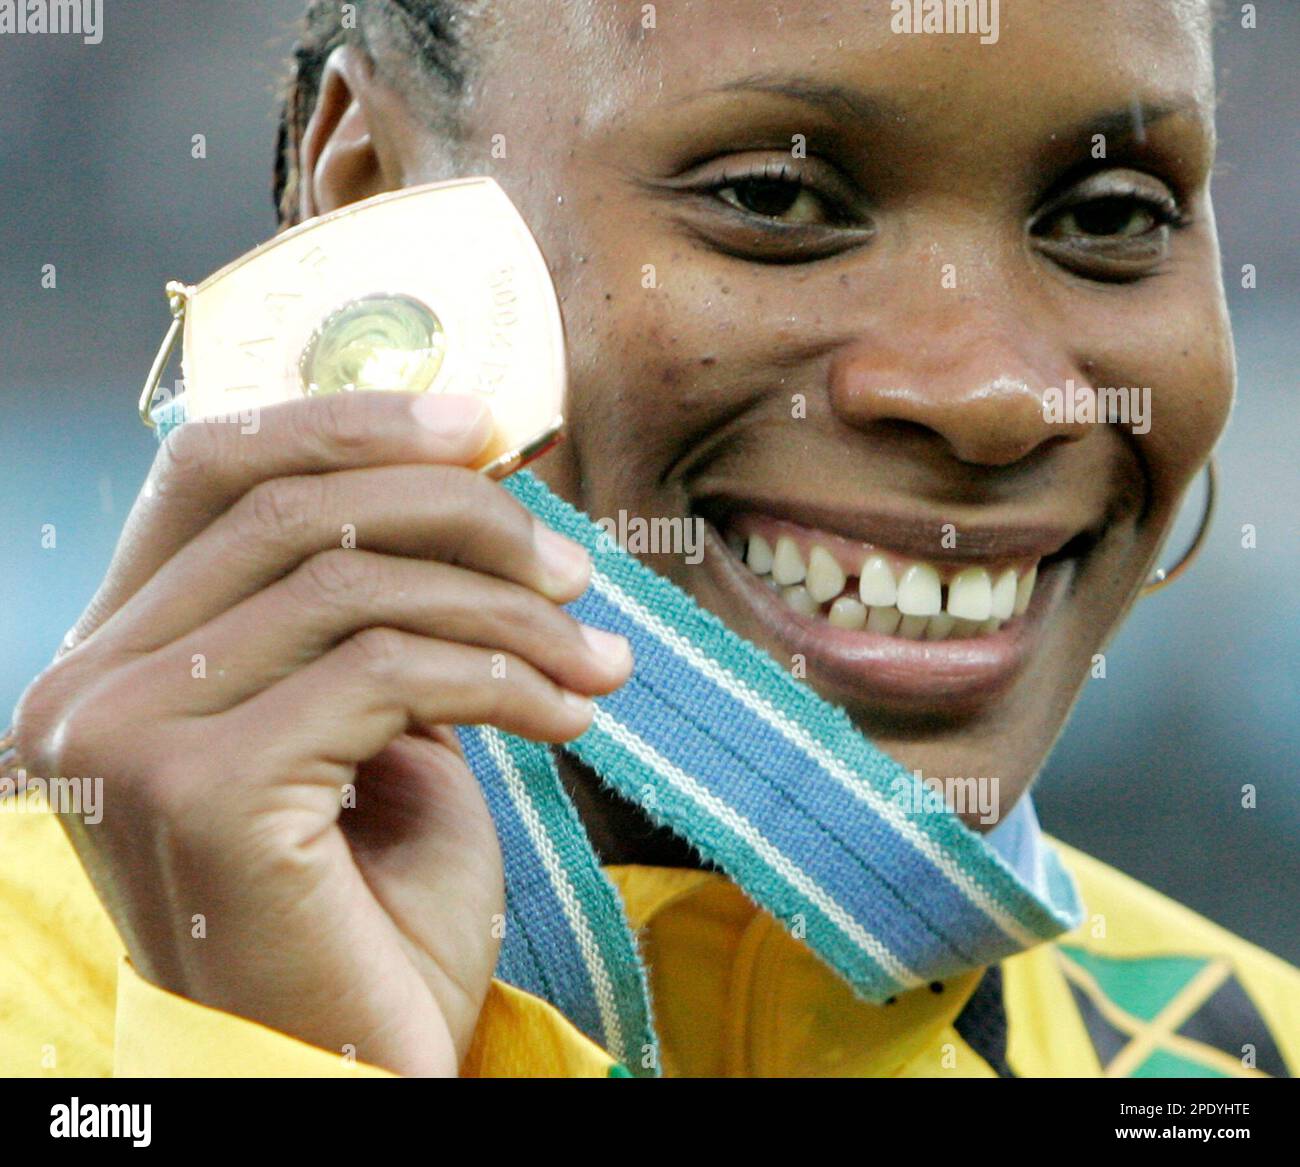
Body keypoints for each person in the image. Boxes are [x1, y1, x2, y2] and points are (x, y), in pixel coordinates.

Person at [2, 0, 1295, 1078]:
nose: (993, 395)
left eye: (1112, 214)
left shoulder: (1248, 1050)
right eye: (777, 196)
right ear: (371, 196)